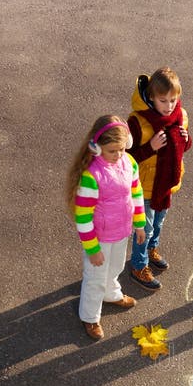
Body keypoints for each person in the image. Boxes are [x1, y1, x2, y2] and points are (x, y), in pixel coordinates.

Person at [67, 116, 146, 340]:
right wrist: (93, 249)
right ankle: (90, 316)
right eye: (112, 151)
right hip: (100, 238)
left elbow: (136, 193)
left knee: (115, 268)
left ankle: (111, 294)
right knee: (95, 277)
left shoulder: (129, 162)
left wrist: (140, 224)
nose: (118, 155)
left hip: (121, 231)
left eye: (122, 149)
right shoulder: (92, 175)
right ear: (96, 147)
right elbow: (82, 218)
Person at [127, 67, 192, 291]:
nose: (169, 106)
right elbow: (124, 158)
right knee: (143, 228)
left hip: (165, 183)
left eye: (173, 99)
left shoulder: (180, 116)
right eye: (163, 101)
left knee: (158, 223)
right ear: (150, 98)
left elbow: (183, 147)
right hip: (143, 187)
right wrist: (150, 148)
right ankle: (138, 265)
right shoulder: (137, 122)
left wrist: (186, 139)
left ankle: (151, 250)